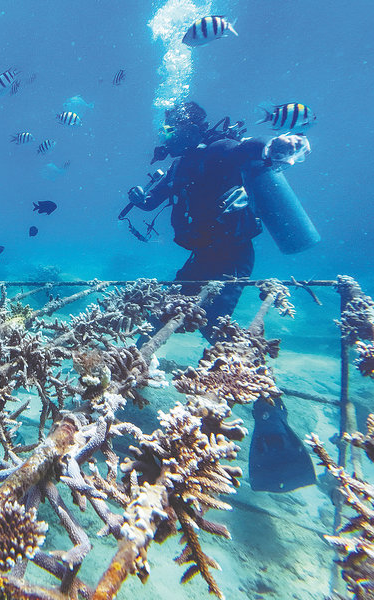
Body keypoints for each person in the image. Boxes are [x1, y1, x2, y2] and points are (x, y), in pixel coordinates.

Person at [123, 101, 317, 492]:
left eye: (172, 128)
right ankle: (128, 373)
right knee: (165, 311)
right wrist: (138, 194)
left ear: (190, 127)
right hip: (202, 256)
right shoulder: (180, 165)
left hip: (231, 255)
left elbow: (248, 149)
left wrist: (275, 147)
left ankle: (270, 415)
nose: (166, 136)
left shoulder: (216, 148)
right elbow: (150, 202)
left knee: (220, 330)